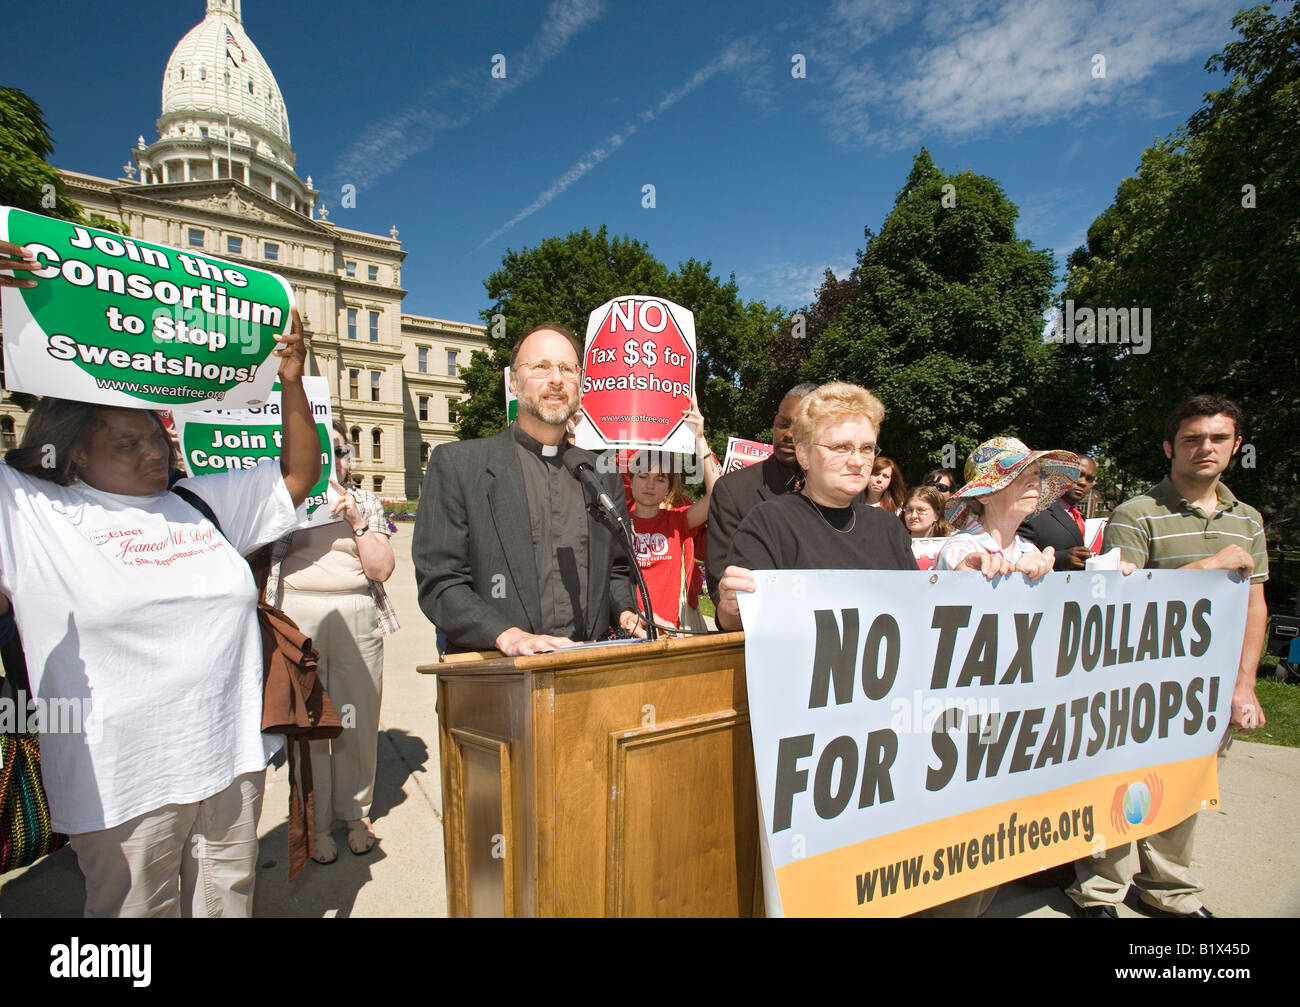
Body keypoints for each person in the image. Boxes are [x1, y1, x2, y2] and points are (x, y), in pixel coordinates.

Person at [0, 296, 319, 916]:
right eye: (127, 443)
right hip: (120, 780)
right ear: (73, 451)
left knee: (227, 901)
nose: (153, 452)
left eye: (154, 435)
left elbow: (298, 476)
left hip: (231, 757)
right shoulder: (30, 511)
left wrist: (291, 381)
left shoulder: (198, 502)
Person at [1066, 394, 1267, 919]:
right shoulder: (1137, 513)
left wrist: (1244, 685)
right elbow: (1120, 598)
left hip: (1204, 688)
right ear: (1169, 447)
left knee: (1185, 785)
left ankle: (1168, 890)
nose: (1206, 448)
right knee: (1115, 782)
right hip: (1134, 683)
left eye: (1219, 438)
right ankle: (1099, 892)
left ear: (1236, 446)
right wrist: (1208, 568)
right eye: (1192, 438)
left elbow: (1255, 606)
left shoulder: (1248, 520)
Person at [413, 323, 644, 657]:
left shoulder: (601, 474)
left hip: (588, 668)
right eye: (540, 366)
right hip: (499, 673)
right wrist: (505, 635)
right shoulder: (459, 466)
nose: (556, 379)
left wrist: (625, 611)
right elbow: (440, 582)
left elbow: (617, 570)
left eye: (568, 369)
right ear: (513, 381)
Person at [264, 419, 398, 864]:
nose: (332, 459)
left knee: (357, 722)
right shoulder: (281, 498)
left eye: (339, 451)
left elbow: (381, 569)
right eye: (323, 451)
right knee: (308, 726)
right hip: (297, 615)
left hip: (357, 612)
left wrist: (357, 521)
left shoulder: (365, 501)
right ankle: (316, 823)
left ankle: (355, 814)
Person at [715, 383, 917, 633]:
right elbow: (737, 622)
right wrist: (730, 609)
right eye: (841, 447)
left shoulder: (889, 528)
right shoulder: (769, 523)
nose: (857, 461)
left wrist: (959, 584)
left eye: (867, 448)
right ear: (804, 455)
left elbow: (919, 610)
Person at [705, 382, 818, 604]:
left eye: (801, 428)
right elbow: (722, 586)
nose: (788, 434)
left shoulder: (845, 493)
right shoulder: (733, 490)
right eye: (783, 424)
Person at [628, 398, 720, 631]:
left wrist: (699, 439)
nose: (650, 485)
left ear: (669, 487)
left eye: (660, 479)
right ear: (631, 480)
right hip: (629, 627)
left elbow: (716, 494)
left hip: (670, 629)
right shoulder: (616, 521)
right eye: (643, 476)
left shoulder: (678, 521)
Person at [1019, 455, 1099, 571]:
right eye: (1078, 475)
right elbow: (1017, 557)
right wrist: (1061, 559)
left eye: (1089, 479)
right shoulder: (1034, 513)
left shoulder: (1087, 522)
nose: (1083, 483)